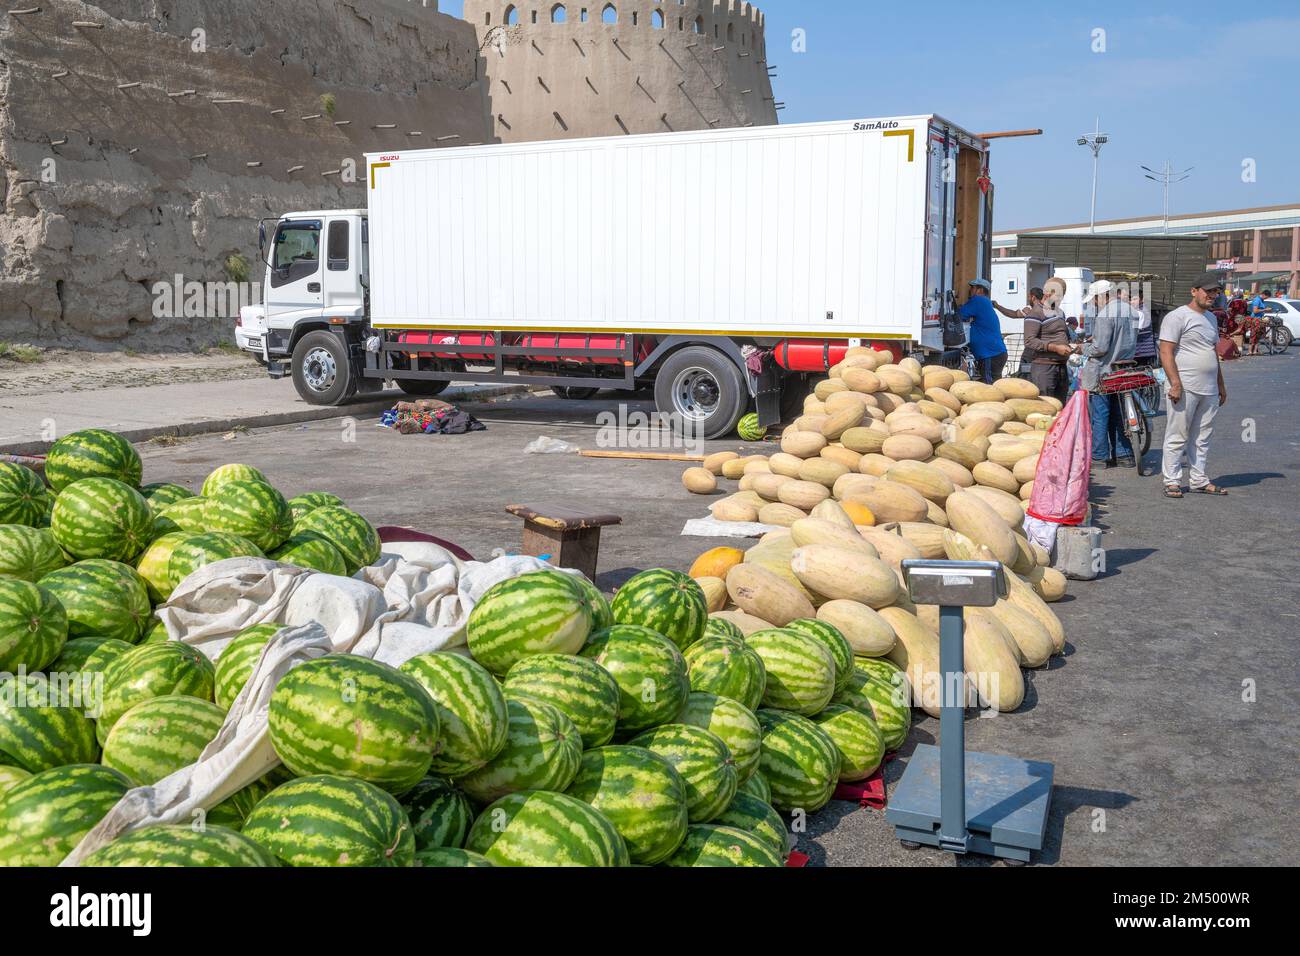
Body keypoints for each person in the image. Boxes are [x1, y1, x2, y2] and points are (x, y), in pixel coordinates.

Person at [1159, 273, 1229, 498]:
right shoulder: (1177, 317)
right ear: (1194, 291)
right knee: (1177, 435)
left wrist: (1221, 386)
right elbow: (1166, 351)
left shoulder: (1211, 319)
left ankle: (1199, 480)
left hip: (1208, 389)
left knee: (1202, 437)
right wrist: (1175, 383)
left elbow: (1212, 354)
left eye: (1215, 292)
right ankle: (1171, 481)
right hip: (1185, 387)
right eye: (1208, 291)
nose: (1212, 295)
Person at [1078, 279, 1138, 468]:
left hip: (1104, 371)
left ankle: (1099, 456)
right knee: (1119, 412)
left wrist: (1083, 348)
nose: (1095, 304)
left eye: (1095, 300)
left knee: (1101, 414)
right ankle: (1124, 454)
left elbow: (1101, 347)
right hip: (1124, 369)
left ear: (1101, 297)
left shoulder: (1105, 314)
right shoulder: (1131, 311)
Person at [994, 285, 1071, 401]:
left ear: (1032, 297)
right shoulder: (1032, 312)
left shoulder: (1057, 312)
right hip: (1039, 360)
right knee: (1033, 387)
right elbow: (1029, 339)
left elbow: (1013, 314)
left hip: (1057, 364)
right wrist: (998, 306)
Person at [959, 278, 1007, 384]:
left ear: (980, 290)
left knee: (989, 386)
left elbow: (960, 314)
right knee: (993, 384)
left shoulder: (978, 300)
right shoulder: (986, 303)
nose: (970, 291)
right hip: (995, 353)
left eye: (972, 288)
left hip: (989, 354)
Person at [1132, 290, 1157, 367]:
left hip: (1142, 351)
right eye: (1131, 299)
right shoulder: (1137, 311)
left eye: (1135, 299)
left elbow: (1139, 330)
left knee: (1140, 374)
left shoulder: (1142, 312)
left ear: (1142, 300)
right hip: (1141, 350)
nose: (1132, 302)